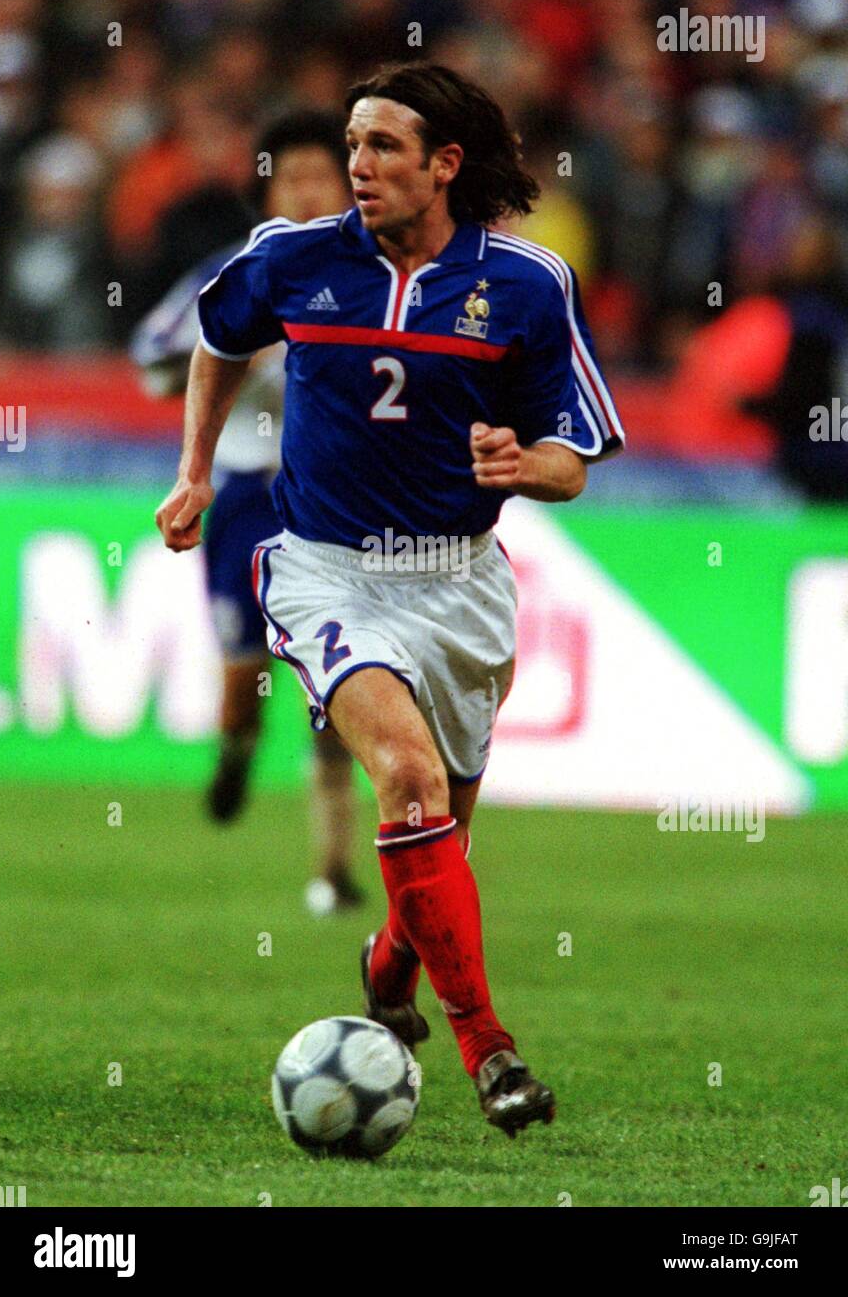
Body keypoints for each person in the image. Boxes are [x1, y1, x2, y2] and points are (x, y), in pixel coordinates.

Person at [156, 62, 624, 1136]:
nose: (355, 168)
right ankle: (490, 1050)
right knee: (406, 780)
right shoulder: (292, 256)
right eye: (351, 146)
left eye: (381, 149)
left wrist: (522, 462)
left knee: (441, 832)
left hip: (458, 585)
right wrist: (193, 468)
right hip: (327, 570)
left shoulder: (527, 283)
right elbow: (218, 340)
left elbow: (576, 457)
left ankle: (386, 961)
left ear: (444, 165)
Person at [135, 111, 362, 916]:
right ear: (268, 188)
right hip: (245, 494)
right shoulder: (239, 268)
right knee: (248, 674)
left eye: (320, 176)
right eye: (291, 177)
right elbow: (153, 350)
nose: (307, 191)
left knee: (334, 691)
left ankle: (333, 866)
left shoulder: (373, 271)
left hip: (332, 500)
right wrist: (227, 355)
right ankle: (235, 749)